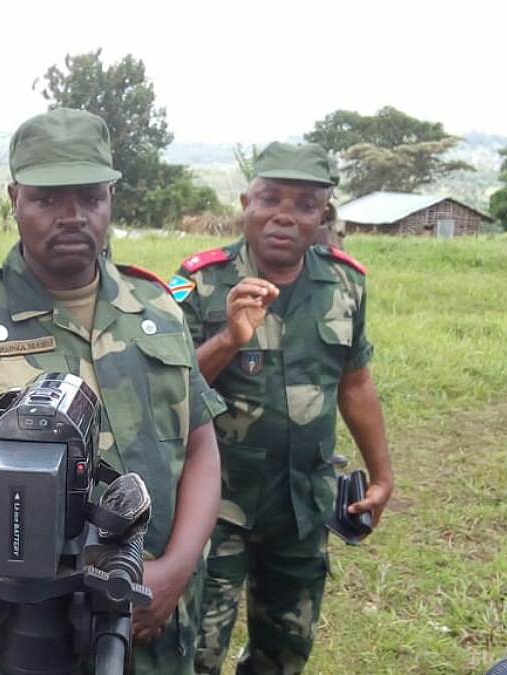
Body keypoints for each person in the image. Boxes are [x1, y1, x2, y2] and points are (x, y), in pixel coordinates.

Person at [0, 107, 225, 674]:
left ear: (110, 197)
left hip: (156, 614)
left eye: (89, 197)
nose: (72, 216)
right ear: (14, 199)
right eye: (48, 199)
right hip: (27, 627)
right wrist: (100, 584)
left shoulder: (156, 307)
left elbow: (201, 444)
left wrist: (175, 569)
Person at [171, 142, 395, 674]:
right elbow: (169, 392)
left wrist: (383, 477)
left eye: (304, 205)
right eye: (270, 198)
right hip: (215, 502)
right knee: (196, 650)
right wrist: (228, 338)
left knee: (285, 652)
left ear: (323, 216)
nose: (283, 216)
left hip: (302, 504)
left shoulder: (345, 283)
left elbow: (355, 382)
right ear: (246, 201)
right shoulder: (198, 282)